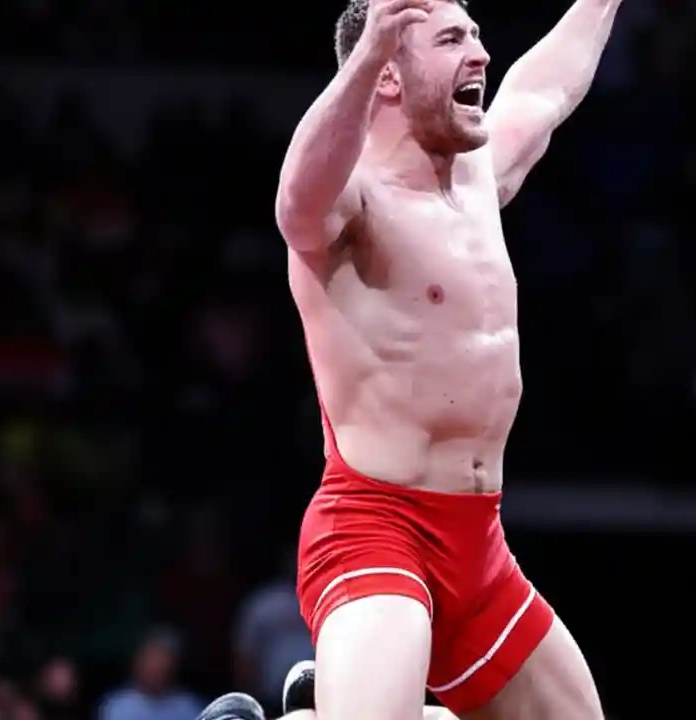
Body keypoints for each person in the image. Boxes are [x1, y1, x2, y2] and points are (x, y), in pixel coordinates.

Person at [197, 0, 622, 718]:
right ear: (389, 74)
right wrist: (369, 50)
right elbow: (294, 199)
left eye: (479, 35)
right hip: (376, 531)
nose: (481, 54)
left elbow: (549, 88)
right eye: (453, 38)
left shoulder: (478, 178)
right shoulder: (351, 199)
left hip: (479, 544)